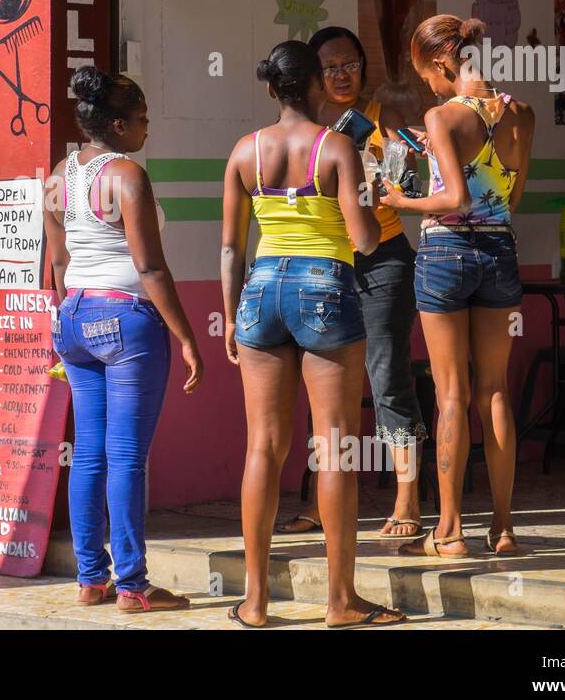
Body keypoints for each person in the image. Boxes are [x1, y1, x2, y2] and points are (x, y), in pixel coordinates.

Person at [221, 40, 405, 629]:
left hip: (259, 291)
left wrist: (230, 316)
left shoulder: (244, 152)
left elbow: (231, 247)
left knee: (262, 447)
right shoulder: (337, 146)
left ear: (271, 88)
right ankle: (341, 602)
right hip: (323, 285)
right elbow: (367, 240)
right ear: (318, 86)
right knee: (335, 447)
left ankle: (253, 602)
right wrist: (373, 194)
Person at [44, 66, 204, 614]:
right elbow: (151, 268)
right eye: (140, 120)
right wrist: (186, 336)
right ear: (116, 123)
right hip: (126, 320)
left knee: (89, 454)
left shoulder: (58, 175)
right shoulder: (128, 176)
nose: (146, 129)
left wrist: (70, 315)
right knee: (127, 458)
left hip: (74, 318)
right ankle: (133, 586)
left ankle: (92, 579)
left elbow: (59, 261)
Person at [382, 15, 534, 558]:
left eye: (428, 73)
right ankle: (504, 528)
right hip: (500, 252)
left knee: (451, 395)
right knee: (494, 389)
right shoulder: (522, 114)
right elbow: (506, 202)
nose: (428, 84)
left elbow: (454, 202)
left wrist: (401, 202)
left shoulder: (441, 116)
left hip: (446, 254)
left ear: (444, 62)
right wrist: (444, 159)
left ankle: (449, 532)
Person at [275, 26, 424, 539]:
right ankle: (323, 505)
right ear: (314, 76)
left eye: (350, 64)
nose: (341, 75)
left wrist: (391, 175)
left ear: (364, 67)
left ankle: (407, 501)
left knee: (387, 376)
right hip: (326, 264)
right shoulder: (304, 128)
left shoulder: (387, 117)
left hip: (383, 258)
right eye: (330, 67)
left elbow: (418, 184)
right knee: (326, 390)